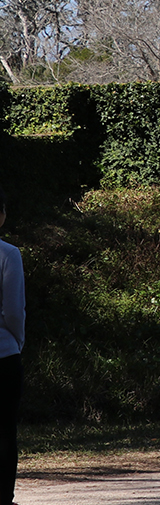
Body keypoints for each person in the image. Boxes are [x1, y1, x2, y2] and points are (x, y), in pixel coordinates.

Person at [0, 187, 23, 505]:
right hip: (3, 353)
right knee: (4, 431)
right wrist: (17, 341)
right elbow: (14, 310)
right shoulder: (8, 254)